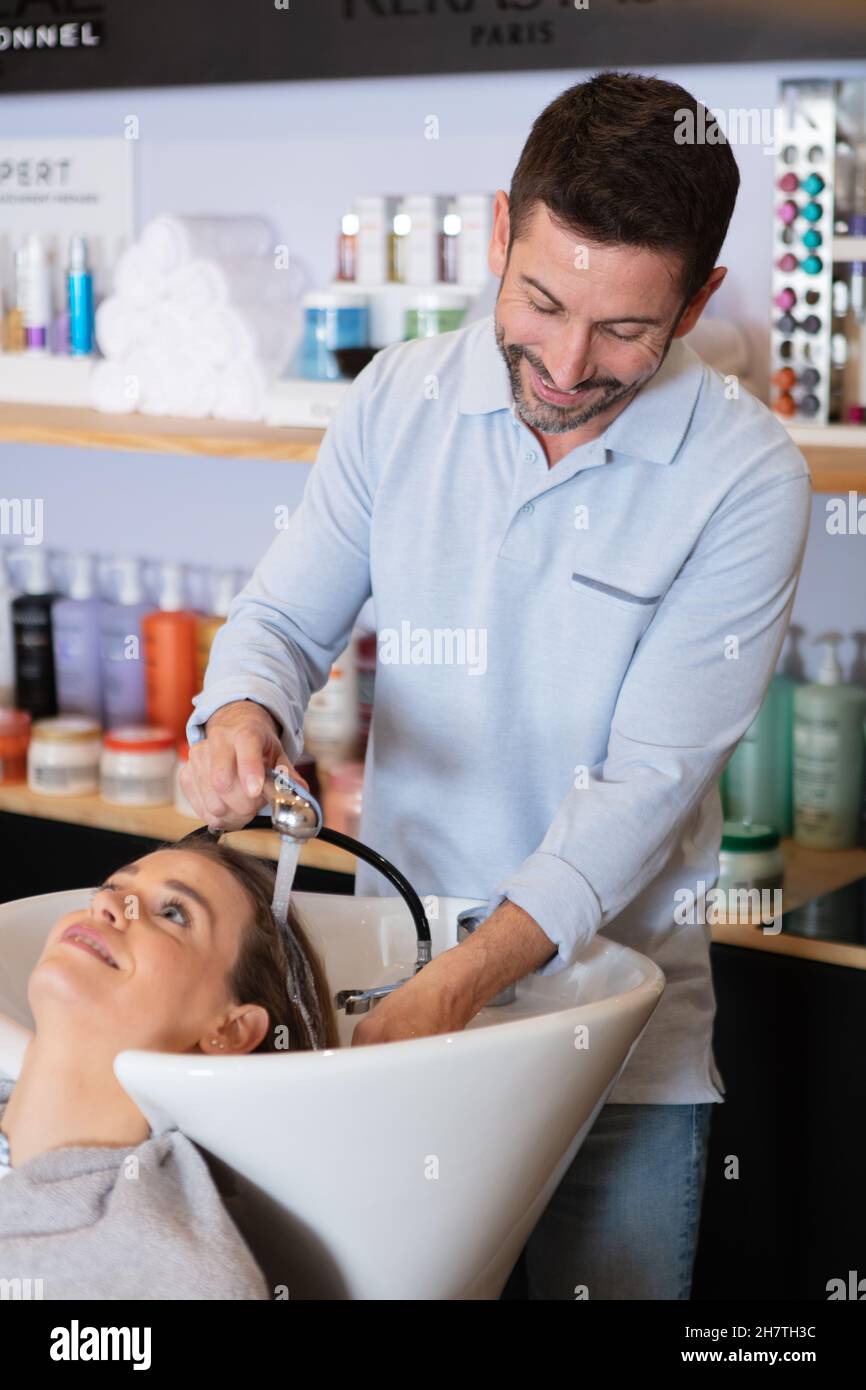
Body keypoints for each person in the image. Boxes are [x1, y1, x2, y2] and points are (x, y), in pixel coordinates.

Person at [180, 71, 812, 1298]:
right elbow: (281, 619)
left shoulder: (746, 479)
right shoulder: (396, 400)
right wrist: (243, 710)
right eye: (541, 300)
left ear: (698, 302)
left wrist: (463, 982)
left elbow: (643, 785)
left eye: (624, 328)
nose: (566, 364)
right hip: (391, 979)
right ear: (497, 235)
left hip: (612, 1038)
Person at [0, 830, 338, 1300]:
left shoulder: (171, 1273)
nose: (108, 905)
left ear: (230, 1030)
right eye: (110, 889)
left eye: (173, 914)